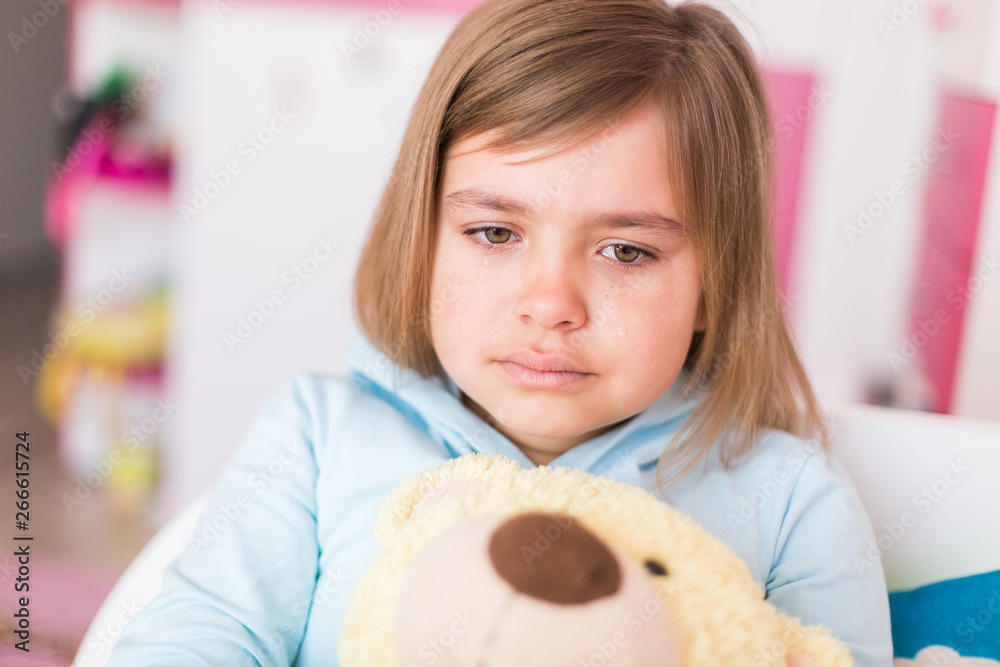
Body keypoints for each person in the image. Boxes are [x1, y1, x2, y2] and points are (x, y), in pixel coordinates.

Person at [105, 0, 893, 664]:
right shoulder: (316, 438)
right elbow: (198, 636)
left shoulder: (790, 499)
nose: (550, 302)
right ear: (423, 241)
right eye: (494, 233)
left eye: (627, 251)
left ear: (713, 289)